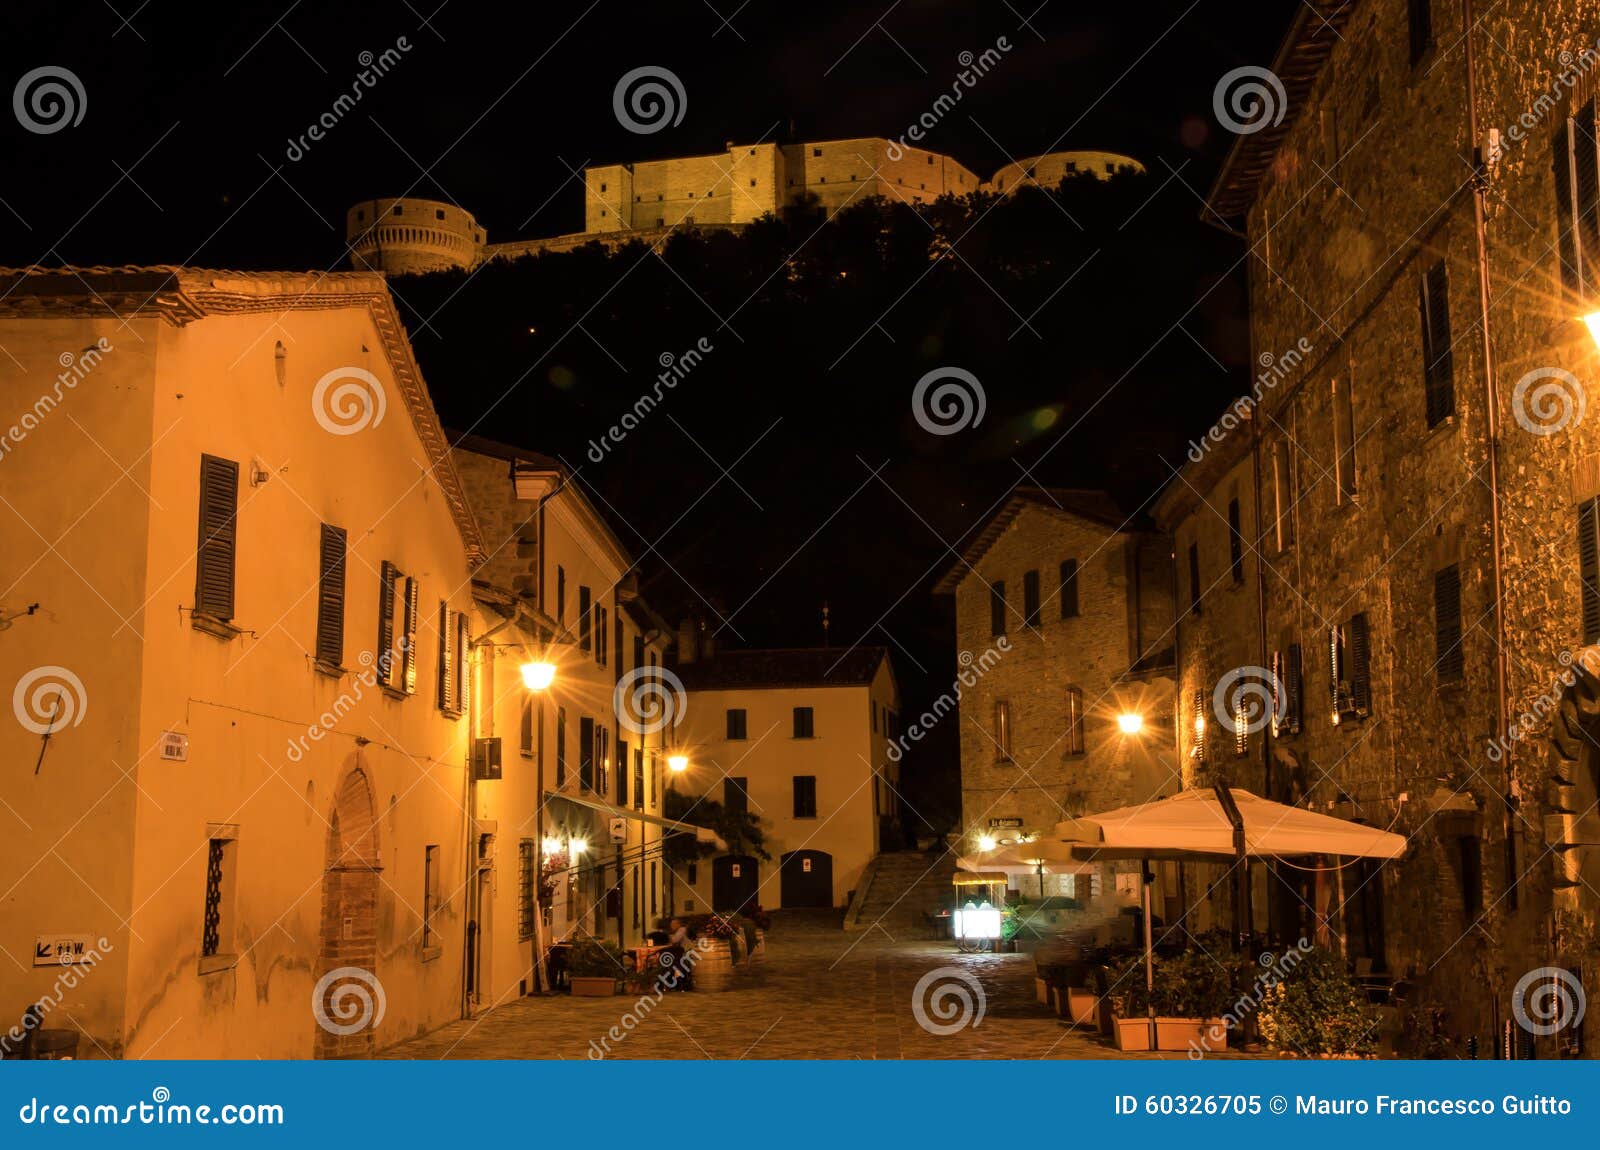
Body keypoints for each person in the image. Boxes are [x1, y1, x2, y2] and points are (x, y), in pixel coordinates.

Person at [665, 917, 693, 991]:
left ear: (678, 924)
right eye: (671, 925)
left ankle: (678, 982)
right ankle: (674, 982)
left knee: (674, 963)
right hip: (680, 954)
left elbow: (675, 940)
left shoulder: (682, 929)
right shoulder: (676, 932)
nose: (672, 926)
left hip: (687, 953)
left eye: (673, 924)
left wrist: (668, 937)